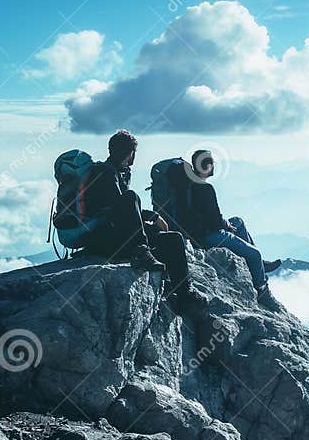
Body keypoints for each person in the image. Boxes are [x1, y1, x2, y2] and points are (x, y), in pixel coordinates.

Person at [82, 130, 206, 310]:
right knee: (132, 198)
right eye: (133, 152)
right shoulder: (106, 174)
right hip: (105, 239)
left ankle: (184, 291)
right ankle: (141, 252)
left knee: (174, 239)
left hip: (118, 237)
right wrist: (153, 218)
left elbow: (126, 213)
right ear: (130, 153)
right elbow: (119, 210)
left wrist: (151, 223)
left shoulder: (118, 172)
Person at [184, 149, 281, 298]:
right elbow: (214, 222)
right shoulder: (205, 188)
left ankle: (259, 264)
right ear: (207, 166)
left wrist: (226, 223)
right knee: (255, 254)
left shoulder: (190, 184)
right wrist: (226, 226)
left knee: (238, 222)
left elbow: (207, 215)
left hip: (199, 230)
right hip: (208, 235)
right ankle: (262, 289)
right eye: (212, 163)